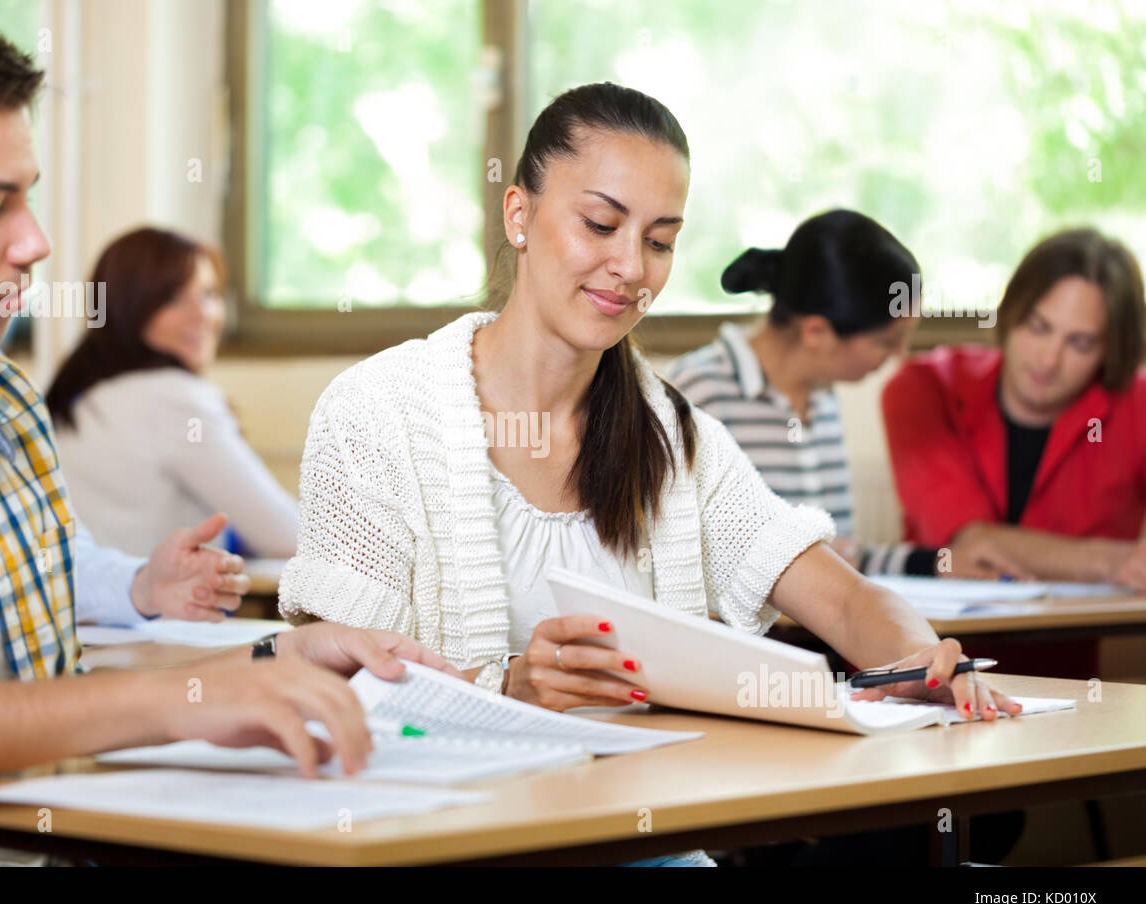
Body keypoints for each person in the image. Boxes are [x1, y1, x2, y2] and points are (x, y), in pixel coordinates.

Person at [279, 82, 1022, 863]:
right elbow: (339, 677)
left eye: (660, 241)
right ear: (518, 215)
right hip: (443, 843)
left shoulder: (672, 431)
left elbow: (840, 595)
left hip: (646, 841)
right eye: (600, 223)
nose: (630, 267)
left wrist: (920, 661)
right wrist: (508, 688)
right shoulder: (375, 413)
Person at [0, 0, 452, 865]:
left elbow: (51, 684)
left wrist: (281, 652)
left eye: (31, 199)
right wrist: (179, 700)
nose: (37, 242)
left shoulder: (10, 410)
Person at [882, 228, 1146, 590]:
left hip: (1074, 639)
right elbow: (974, 545)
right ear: (1011, 312)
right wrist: (1115, 560)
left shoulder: (1135, 405)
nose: (1049, 360)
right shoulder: (923, 389)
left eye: (1081, 344)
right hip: (930, 641)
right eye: (1039, 328)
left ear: (1111, 350)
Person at [668, 210, 928, 575]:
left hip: (818, 624)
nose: (900, 356)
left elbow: (837, 557)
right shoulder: (698, 393)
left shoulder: (825, 399)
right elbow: (674, 560)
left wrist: (938, 563)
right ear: (817, 333)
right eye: (887, 342)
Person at [46, 227, 300, 557]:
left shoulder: (77, 391)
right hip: (153, 607)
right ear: (129, 308)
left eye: (209, 294)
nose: (203, 314)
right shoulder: (173, 398)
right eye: (174, 298)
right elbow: (287, 536)